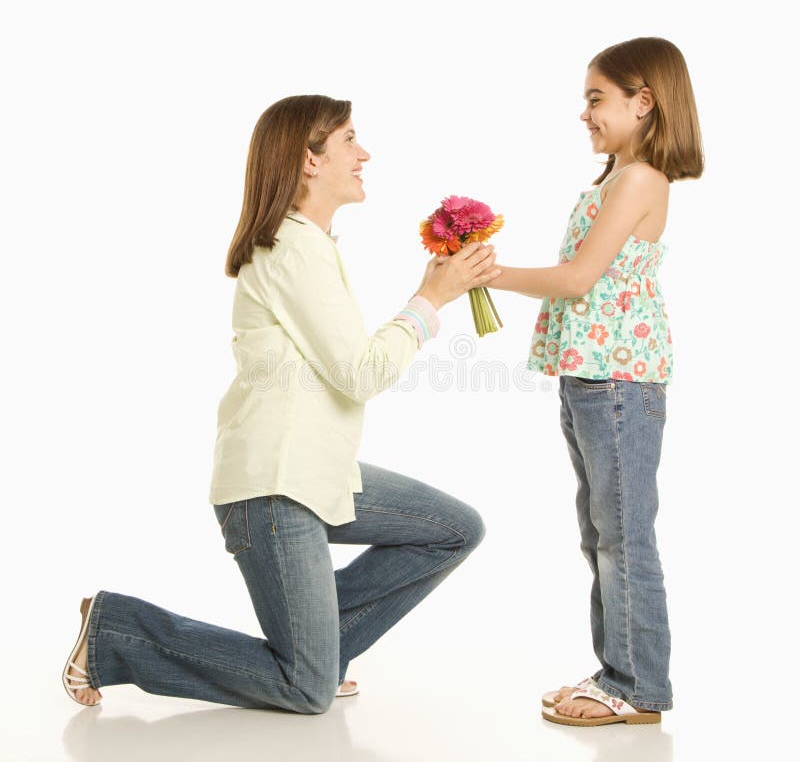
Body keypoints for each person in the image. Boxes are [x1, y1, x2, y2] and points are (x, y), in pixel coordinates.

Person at [62, 95, 500, 712]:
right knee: (306, 689)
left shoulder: (309, 244)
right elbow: (361, 374)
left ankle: (320, 646)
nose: (365, 153)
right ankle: (117, 633)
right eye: (349, 140)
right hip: (274, 485)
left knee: (453, 530)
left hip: (311, 471)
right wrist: (429, 299)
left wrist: (433, 297)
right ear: (309, 160)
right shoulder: (292, 248)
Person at [488, 37, 703, 726]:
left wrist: (488, 274)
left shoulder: (641, 180)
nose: (585, 113)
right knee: (600, 534)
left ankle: (638, 688)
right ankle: (618, 669)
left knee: (623, 537)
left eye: (596, 98)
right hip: (592, 378)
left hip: (617, 381)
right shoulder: (616, 177)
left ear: (644, 102)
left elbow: (579, 279)